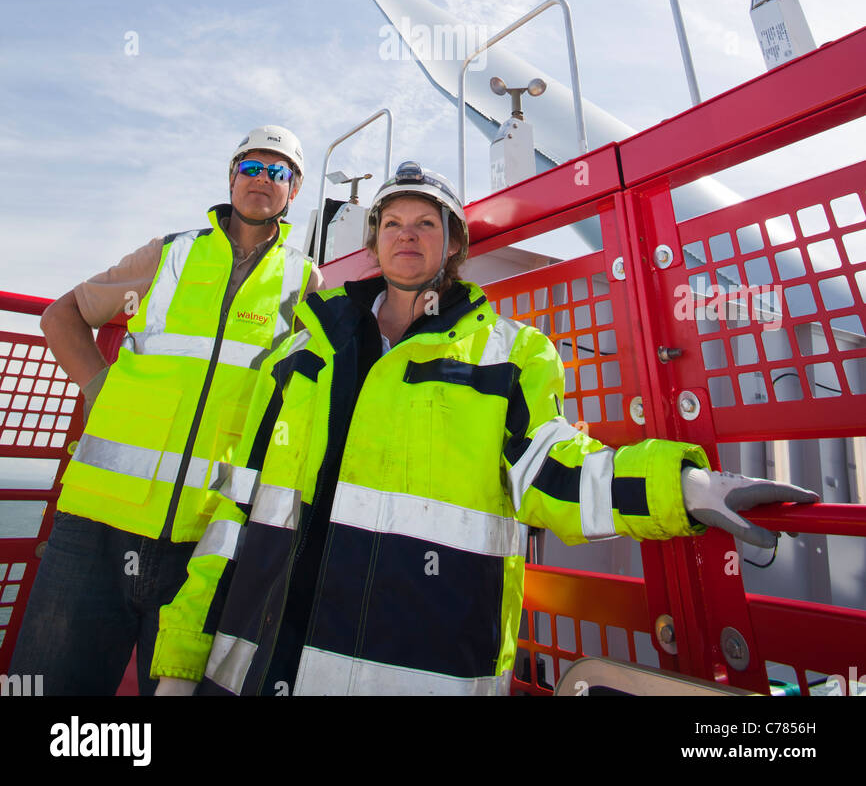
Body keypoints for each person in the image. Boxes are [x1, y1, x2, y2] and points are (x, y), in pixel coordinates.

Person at [152, 160, 817, 697]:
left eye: (425, 223)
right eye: (391, 222)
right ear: (374, 240)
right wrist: (181, 662)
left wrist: (686, 489)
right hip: (244, 674)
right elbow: (233, 511)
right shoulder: (303, 352)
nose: (405, 235)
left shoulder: (510, 355)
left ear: (455, 245)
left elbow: (558, 474)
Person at [10, 125, 321, 696]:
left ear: (294, 191)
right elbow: (62, 317)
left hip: (206, 539)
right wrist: (102, 390)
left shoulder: (305, 284)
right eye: (252, 167)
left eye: (278, 173)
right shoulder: (169, 254)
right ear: (231, 176)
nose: (262, 180)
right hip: (95, 527)